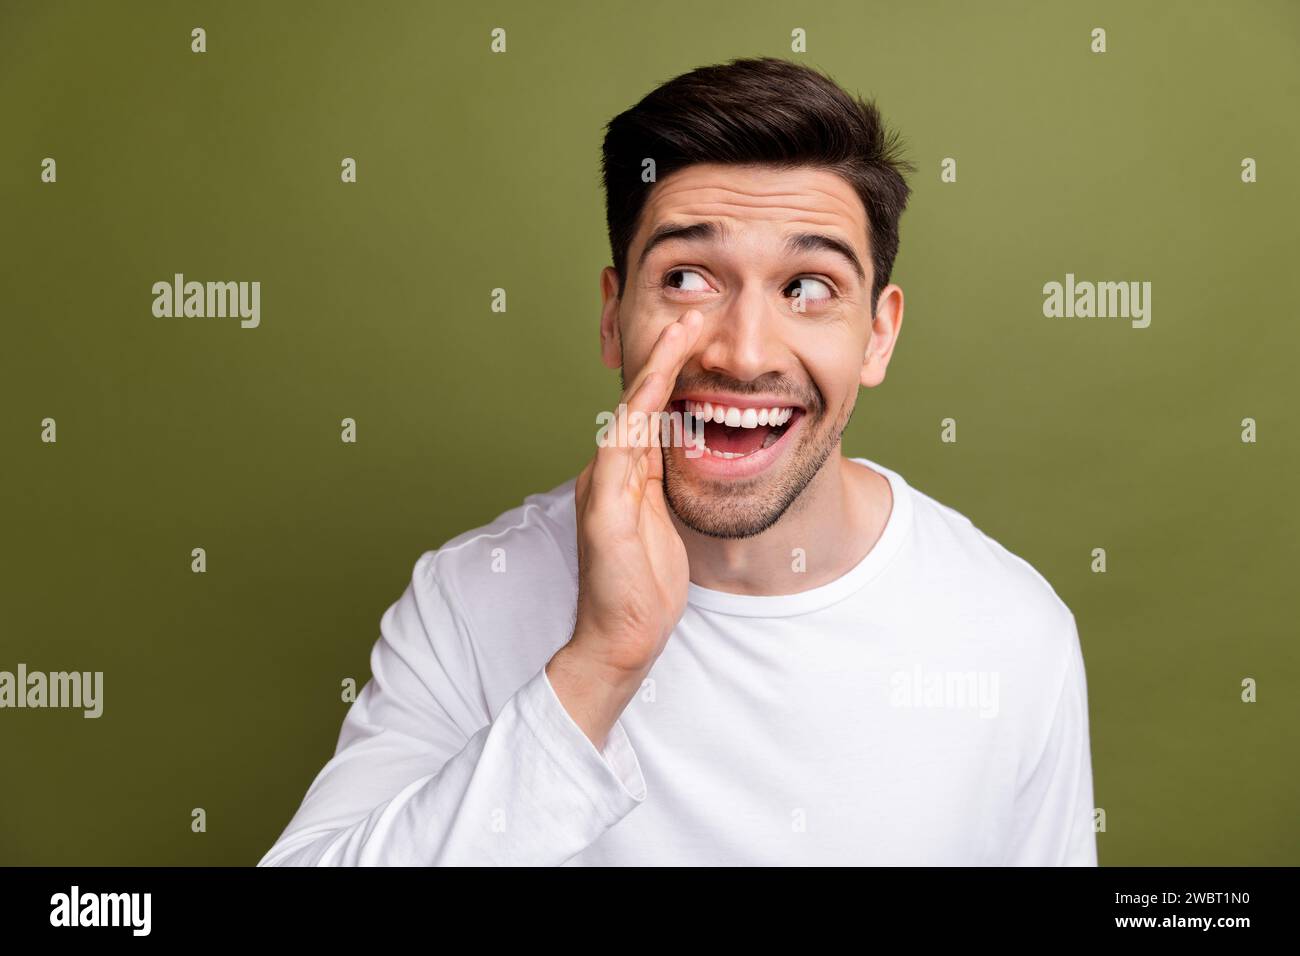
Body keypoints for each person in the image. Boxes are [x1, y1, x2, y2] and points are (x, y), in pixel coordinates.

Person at [259, 56, 1097, 866]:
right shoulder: (472, 601)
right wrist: (600, 663)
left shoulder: (1013, 633)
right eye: (690, 278)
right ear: (612, 314)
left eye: (808, 287)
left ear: (878, 333)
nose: (743, 352)